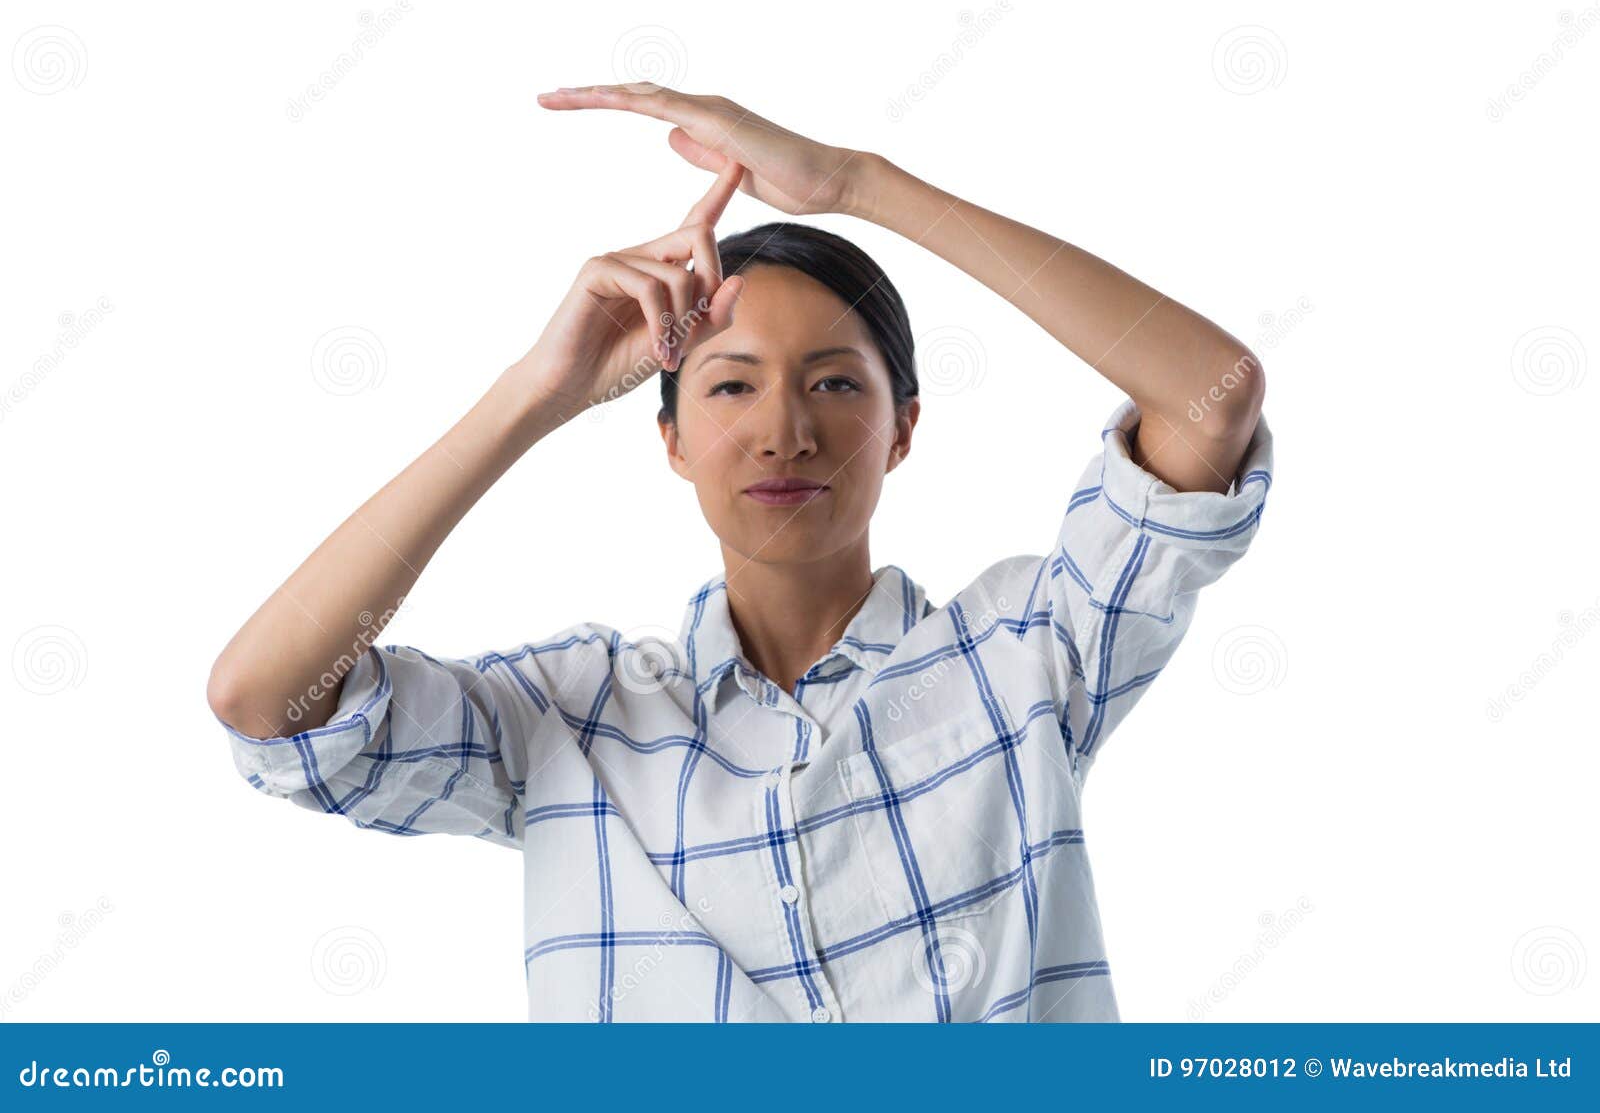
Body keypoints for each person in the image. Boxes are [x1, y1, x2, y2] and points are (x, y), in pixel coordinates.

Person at [207, 84, 1274, 1023]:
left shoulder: (1024, 658)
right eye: (729, 384)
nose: (784, 431)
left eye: (834, 382)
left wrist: (858, 183)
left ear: (904, 426)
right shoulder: (573, 719)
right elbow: (267, 698)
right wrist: (537, 395)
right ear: (666, 435)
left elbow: (1209, 396)